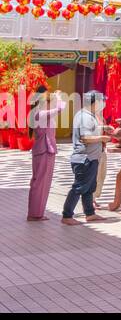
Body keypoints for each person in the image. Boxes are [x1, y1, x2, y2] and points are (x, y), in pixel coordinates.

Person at [62, 91, 115, 226]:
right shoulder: (85, 117)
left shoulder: (87, 115)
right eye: (101, 101)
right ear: (94, 102)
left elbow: (91, 130)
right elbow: (85, 137)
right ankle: (67, 215)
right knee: (79, 188)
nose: (103, 104)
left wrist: (103, 127)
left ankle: (90, 213)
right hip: (85, 159)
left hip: (91, 158)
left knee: (89, 188)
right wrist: (103, 138)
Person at [27, 84, 60, 221]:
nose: (49, 98)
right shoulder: (39, 113)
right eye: (47, 96)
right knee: (40, 183)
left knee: (40, 182)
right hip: (44, 150)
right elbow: (59, 109)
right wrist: (58, 97)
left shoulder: (38, 112)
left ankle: (37, 213)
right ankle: (35, 214)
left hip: (44, 150)